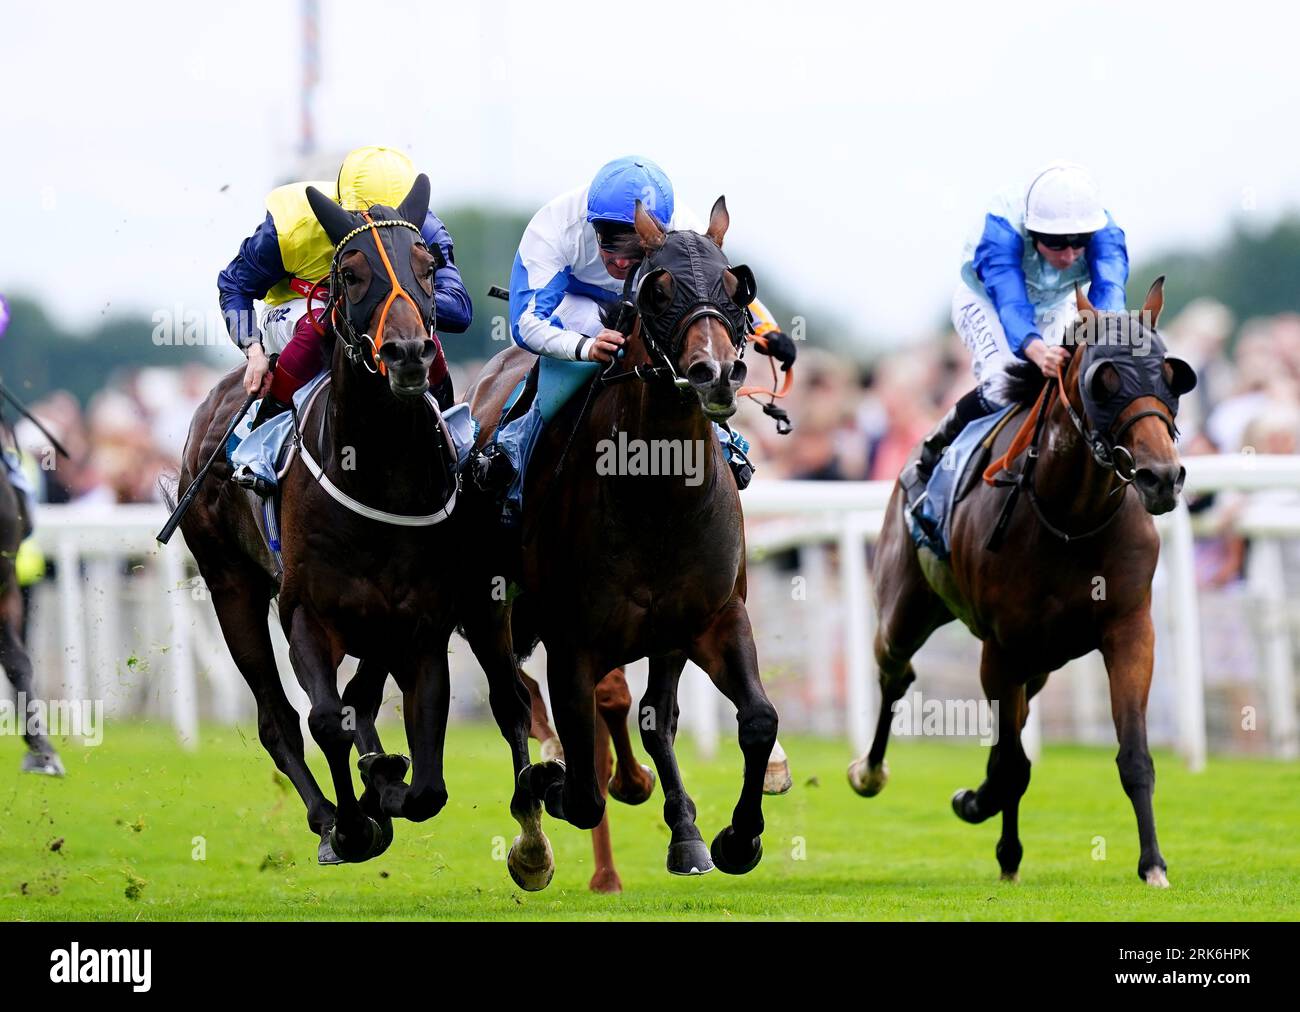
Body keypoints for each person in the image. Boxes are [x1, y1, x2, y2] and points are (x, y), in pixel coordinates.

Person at [470, 156, 796, 525]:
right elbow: (526, 324)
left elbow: (719, 293)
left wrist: (769, 332)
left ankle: (720, 438)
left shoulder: (682, 226)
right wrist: (584, 348)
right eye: (609, 243)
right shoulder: (554, 227)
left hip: (646, 301)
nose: (622, 263)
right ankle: (513, 446)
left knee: (681, 355)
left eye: (633, 250)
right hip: (573, 302)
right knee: (591, 325)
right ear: (591, 224)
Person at [216, 146, 472, 493]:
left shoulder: (423, 228)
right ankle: (262, 436)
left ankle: (448, 432)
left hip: (372, 311)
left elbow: (458, 309)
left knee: (413, 327)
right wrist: (254, 350)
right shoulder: (292, 226)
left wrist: (400, 306)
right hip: (298, 305)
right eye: (366, 217)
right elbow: (234, 284)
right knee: (321, 324)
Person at [901, 161, 1129, 510]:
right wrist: (1038, 351)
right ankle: (932, 454)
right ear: (1033, 233)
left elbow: (1109, 296)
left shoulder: (1104, 231)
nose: (1069, 256)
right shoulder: (1003, 230)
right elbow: (1011, 305)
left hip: (1054, 303)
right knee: (1002, 383)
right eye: (1056, 244)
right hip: (987, 300)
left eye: (1079, 243)